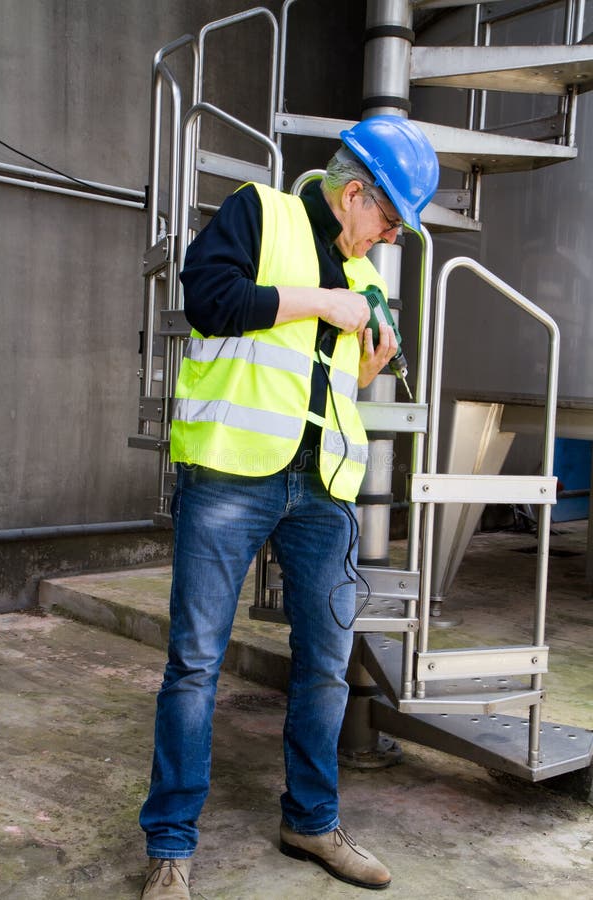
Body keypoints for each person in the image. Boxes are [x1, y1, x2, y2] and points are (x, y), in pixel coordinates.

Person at [139, 115, 439, 899]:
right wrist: (321, 303)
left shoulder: (364, 275)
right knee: (195, 664)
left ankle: (311, 820)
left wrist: (374, 353)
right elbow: (207, 297)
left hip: (325, 487)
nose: (388, 241)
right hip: (233, 473)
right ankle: (170, 846)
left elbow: (355, 365)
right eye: (389, 222)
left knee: (327, 671)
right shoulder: (256, 211)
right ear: (353, 195)